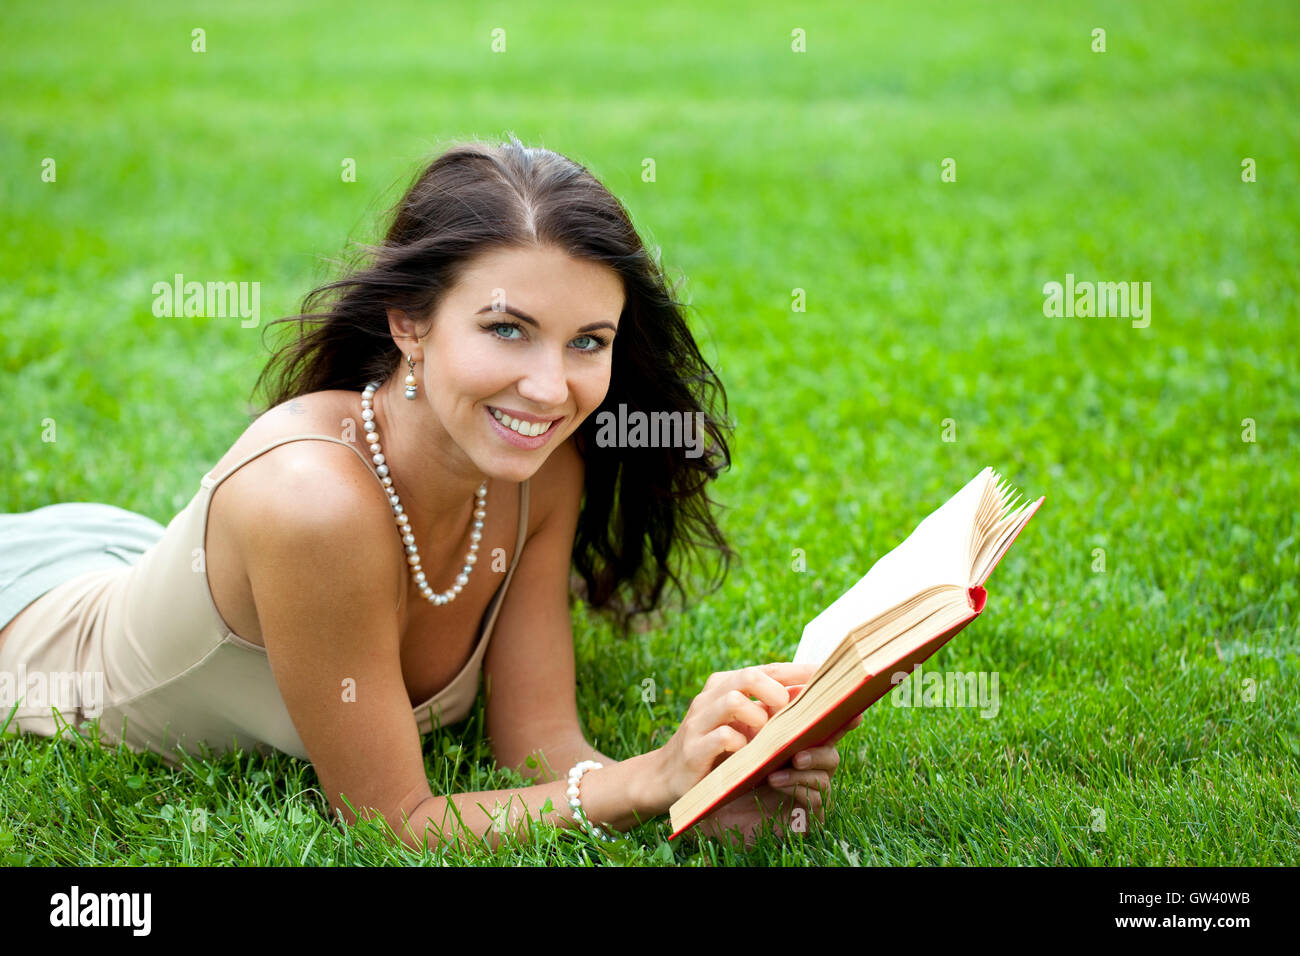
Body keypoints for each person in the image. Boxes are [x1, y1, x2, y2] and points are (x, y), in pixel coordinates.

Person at [0, 135, 860, 853]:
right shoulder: (313, 507)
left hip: (117, 553)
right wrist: (648, 778)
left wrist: (702, 794)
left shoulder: (542, 473)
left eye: (586, 341)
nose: (551, 389)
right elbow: (395, 825)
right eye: (506, 329)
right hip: (30, 622)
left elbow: (540, 751)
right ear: (409, 322)